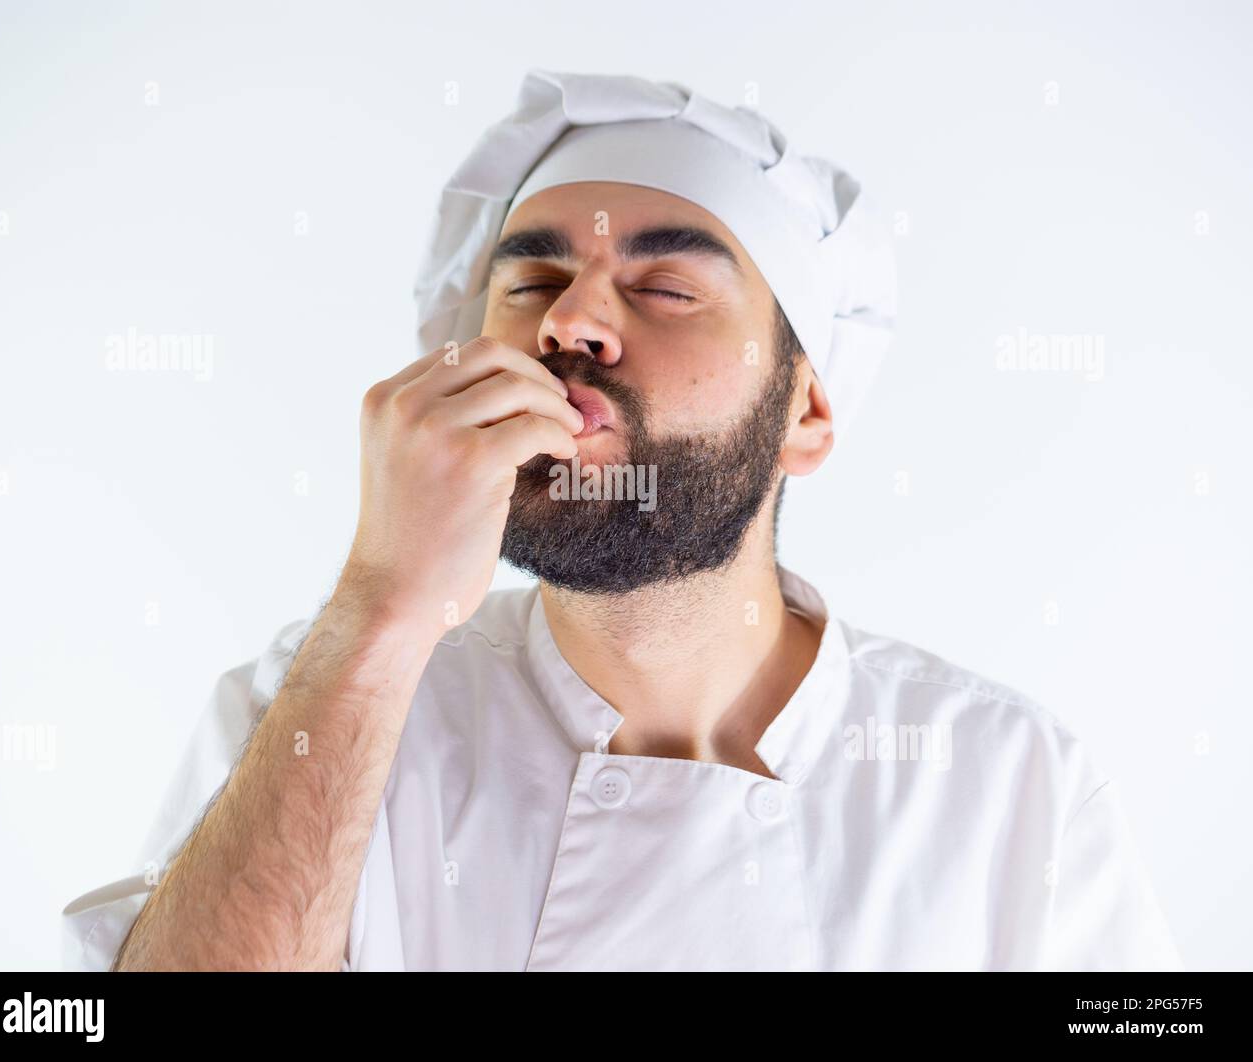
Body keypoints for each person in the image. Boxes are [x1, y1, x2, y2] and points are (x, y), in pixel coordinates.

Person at [61, 69, 1183, 971]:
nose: (573, 322)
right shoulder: (327, 706)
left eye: (666, 289)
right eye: (530, 283)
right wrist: (381, 608)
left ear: (806, 411)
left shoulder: (1007, 785)